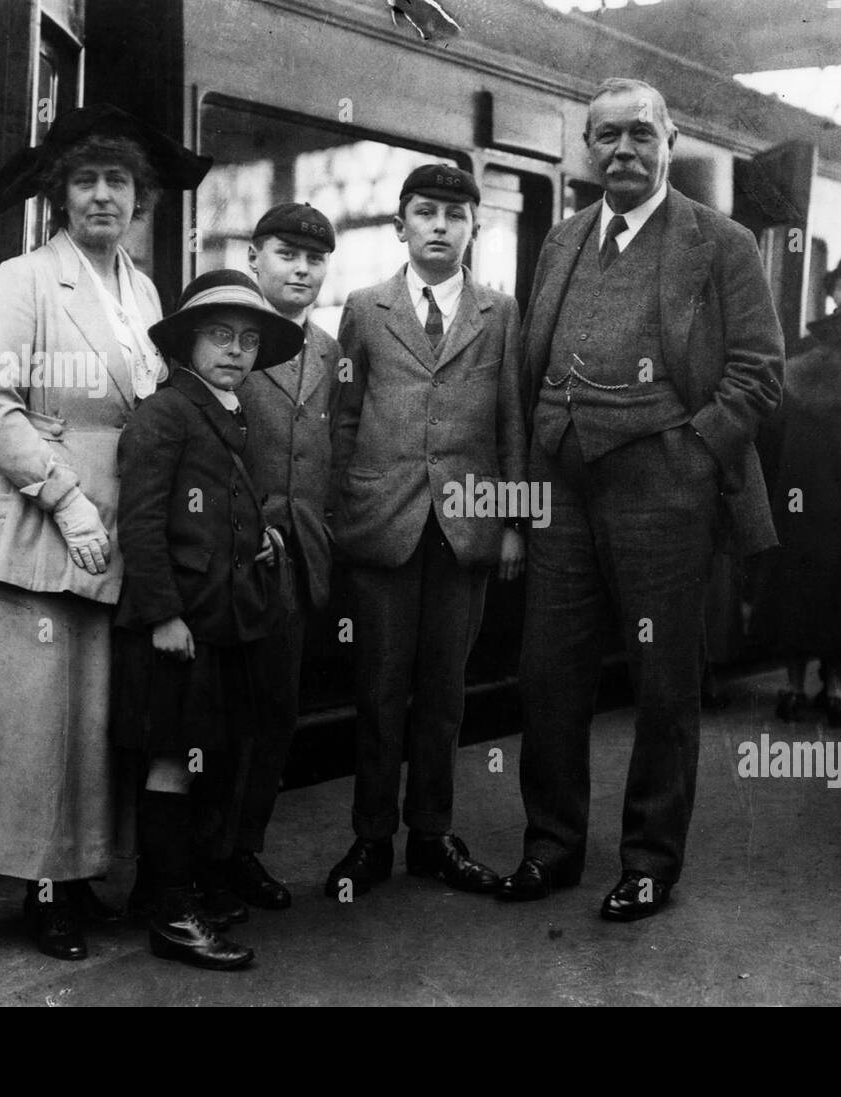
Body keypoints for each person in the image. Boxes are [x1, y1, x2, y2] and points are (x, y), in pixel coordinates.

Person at [0, 104, 209, 961]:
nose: (104, 195)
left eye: (119, 181)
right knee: (36, 723)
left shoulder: (143, 290)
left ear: (140, 195)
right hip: (41, 527)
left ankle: (78, 878)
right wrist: (72, 504)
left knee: (88, 719)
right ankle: (45, 897)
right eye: (86, 180)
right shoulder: (23, 278)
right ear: (59, 194)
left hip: (121, 530)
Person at [499, 78, 783, 921]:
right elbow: (531, 358)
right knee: (548, 672)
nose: (623, 151)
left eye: (639, 136)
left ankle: (651, 860)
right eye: (606, 138)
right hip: (562, 485)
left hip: (662, 488)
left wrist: (694, 455)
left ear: (669, 141)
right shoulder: (562, 239)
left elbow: (760, 370)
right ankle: (550, 848)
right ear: (588, 149)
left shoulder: (721, 242)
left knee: (662, 682)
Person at [326, 164, 527, 898]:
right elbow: (345, 417)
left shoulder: (500, 314)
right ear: (400, 227)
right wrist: (340, 516)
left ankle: (434, 835)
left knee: (445, 691)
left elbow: (512, 421)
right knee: (379, 689)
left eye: (455, 214)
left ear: (476, 226)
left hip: (467, 527)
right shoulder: (364, 307)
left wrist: (513, 524)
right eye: (425, 213)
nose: (440, 226)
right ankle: (371, 837)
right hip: (383, 524)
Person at [113, 269, 305, 969]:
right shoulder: (167, 412)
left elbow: (219, 501)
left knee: (203, 755)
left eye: (249, 339)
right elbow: (140, 522)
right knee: (170, 758)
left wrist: (261, 532)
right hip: (179, 626)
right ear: (189, 343)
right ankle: (170, 913)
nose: (236, 350)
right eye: (219, 335)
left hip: (218, 623)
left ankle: (170, 889)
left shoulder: (226, 409)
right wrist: (163, 614)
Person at [204, 202, 341, 911]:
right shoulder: (222, 335)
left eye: (315, 259)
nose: (302, 269)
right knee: (216, 721)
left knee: (275, 715)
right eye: (287, 254)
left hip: (294, 566)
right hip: (225, 565)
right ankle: (200, 863)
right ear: (254, 255)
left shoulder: (326, 349)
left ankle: (242, 852)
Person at [751, 302, 841, 727]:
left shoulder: (792, 381)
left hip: (797, 507)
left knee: (796, 594)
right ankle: (836, 688)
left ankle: (794, 687)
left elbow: (769, 449)